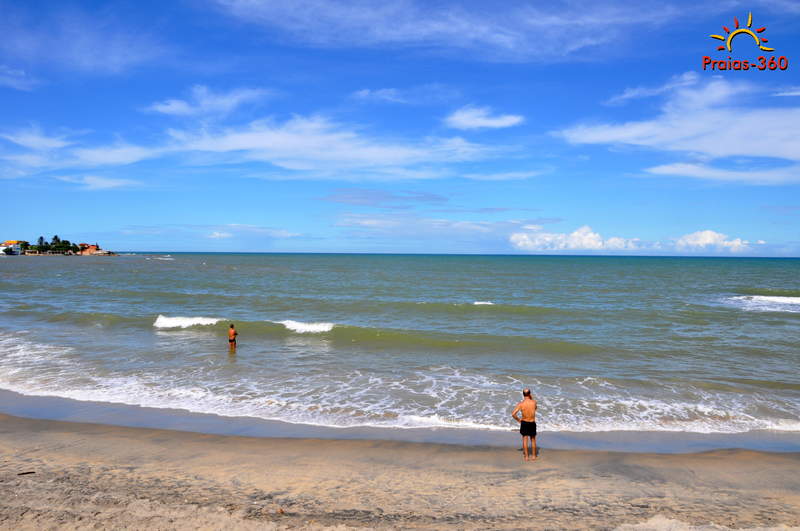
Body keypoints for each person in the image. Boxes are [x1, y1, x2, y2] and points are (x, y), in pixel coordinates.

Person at [511, 388, 538, 461]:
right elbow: (535, 408)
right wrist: (531, 397)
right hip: (532, 422)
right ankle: (534, 456)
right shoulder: (534, 402)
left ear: (523, 394)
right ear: (530, 394)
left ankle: (526, 457)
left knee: (525, 440)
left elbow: (513, 414)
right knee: (533, 440)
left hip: (524, 423)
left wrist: (519, 420)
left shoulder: (521, 404)